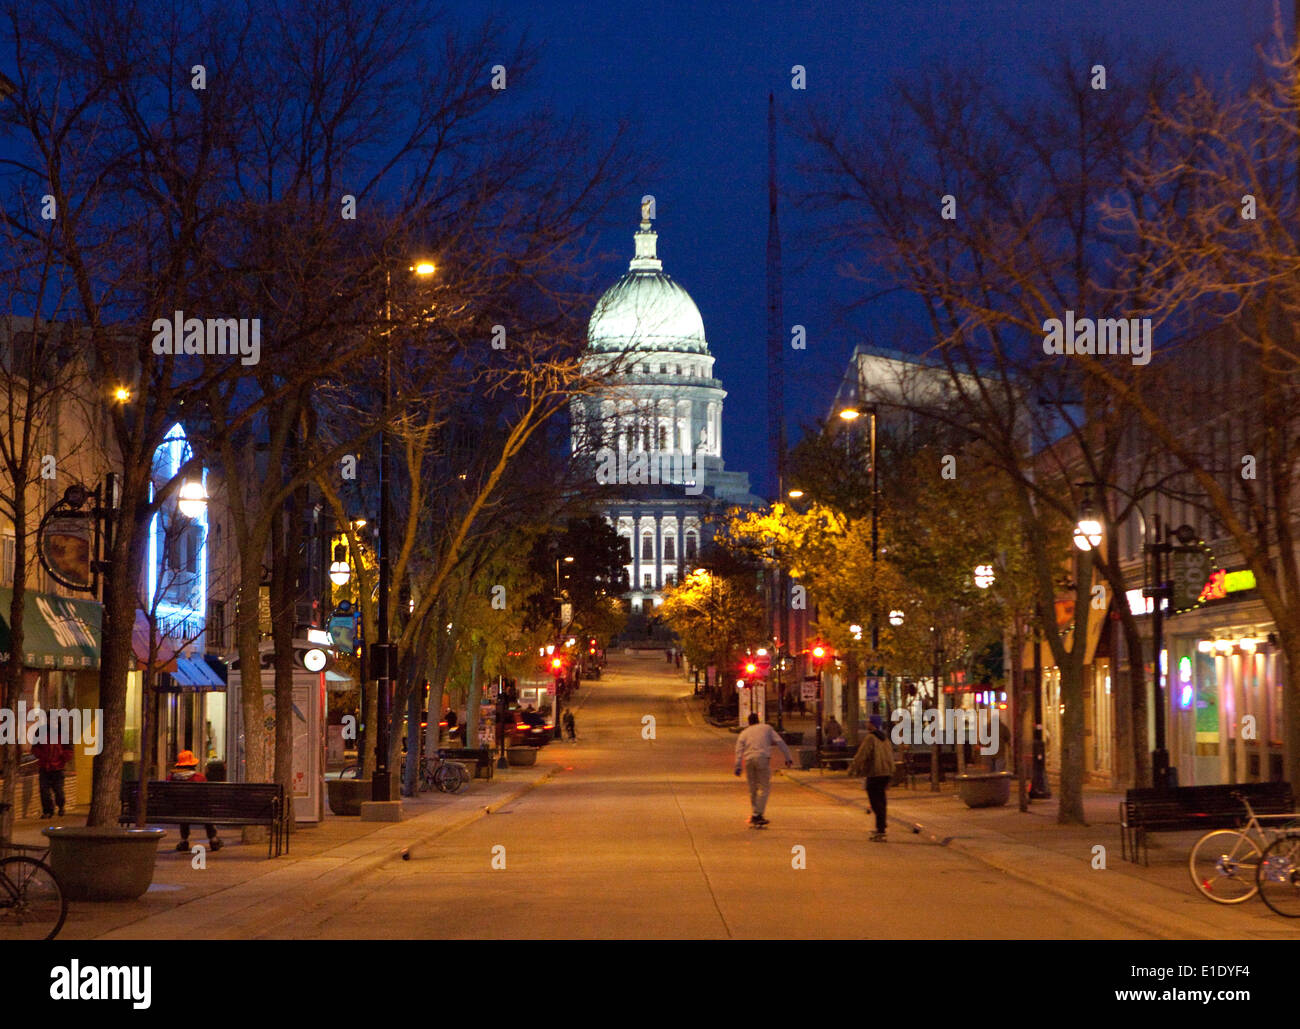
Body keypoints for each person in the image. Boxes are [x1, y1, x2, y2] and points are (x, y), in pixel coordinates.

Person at [733, 712, 793, 826]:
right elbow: (780, 742)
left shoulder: (744, 733)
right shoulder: (767, 728)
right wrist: (788, 757)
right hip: (762, 758)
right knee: (765, 787)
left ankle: (755, 812)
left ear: (749, 722)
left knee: (753, 788)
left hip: (749, 760)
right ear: (758, 720)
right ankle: (758, 814)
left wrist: (738, 766)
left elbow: (738, 750)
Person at [849, 715, 896, 842]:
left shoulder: (870, 738)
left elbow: (862, 755)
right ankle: (881, 826)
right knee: (881, 800)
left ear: (872, 724)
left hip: (875, 773)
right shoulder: (885, 738)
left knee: (875, 802)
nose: (866, 723)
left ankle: (881, 830)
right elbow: (890, 756)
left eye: (868, 721)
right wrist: (891, 772)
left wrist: (853, 769)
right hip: (885, 773)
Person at [169, 750, 222, 852]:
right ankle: (213, 839)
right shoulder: (199, 778)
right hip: (200, 810)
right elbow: (207, 796)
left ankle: (184, 840)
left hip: (177, 811)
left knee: (184, 809)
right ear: (193, 765)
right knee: (206, 811)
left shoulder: (171, 778)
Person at [32, 730, 74, 819]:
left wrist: (62, 755)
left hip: (58, 767)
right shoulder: (40, 732)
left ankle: (61, 806)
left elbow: (69, 749)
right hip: (44, 766)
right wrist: (41, 755)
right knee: (44, 791)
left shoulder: (63, 732)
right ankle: (47, 811)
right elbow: (35, 747)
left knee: (58, 790)